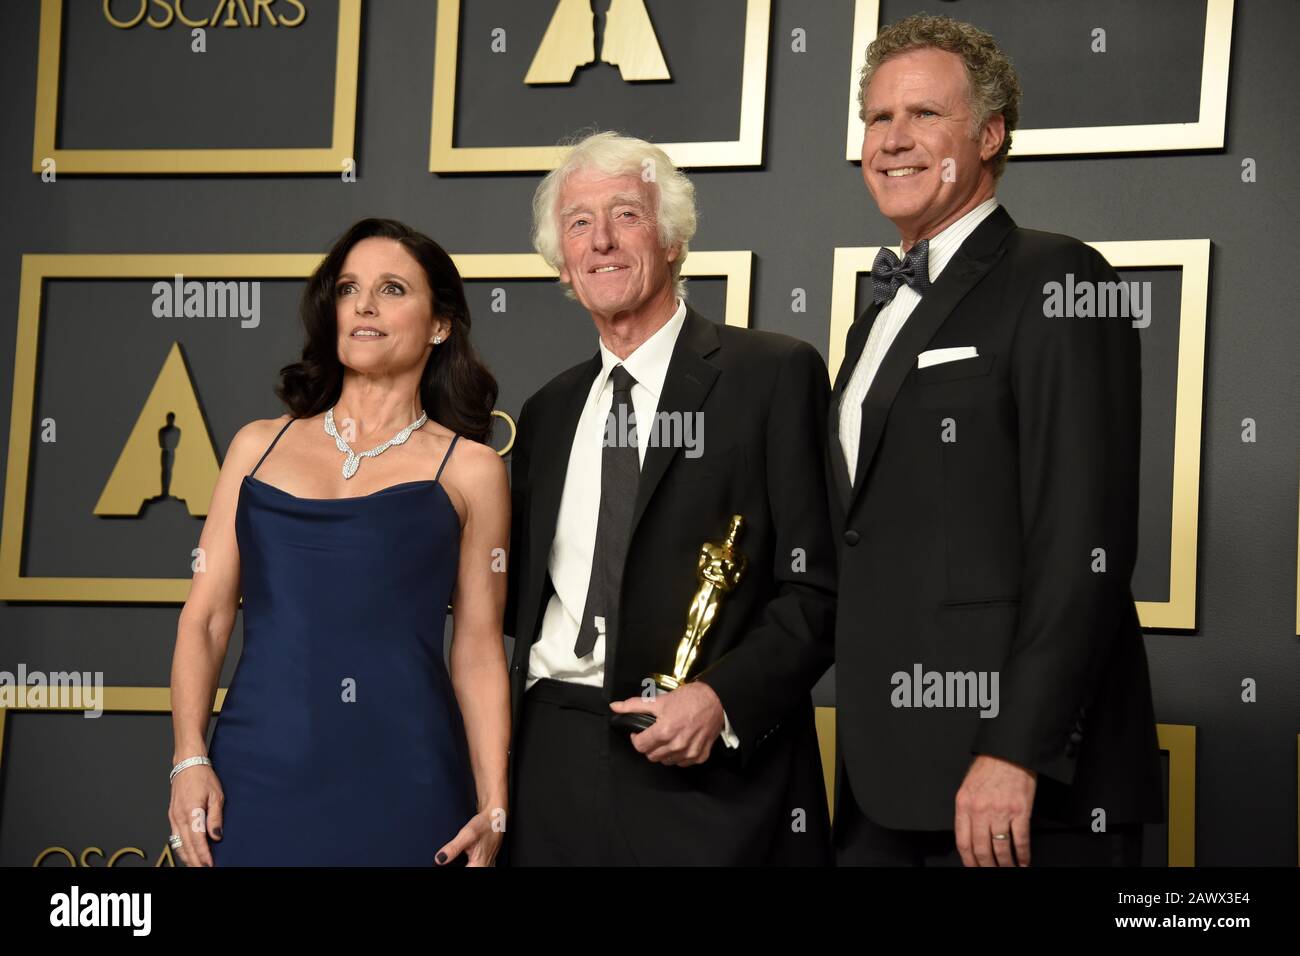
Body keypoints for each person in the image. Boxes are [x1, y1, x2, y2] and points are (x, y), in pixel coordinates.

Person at [830, 14, 1164, 867]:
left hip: (1017, 788)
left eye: (923, 116)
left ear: (989, 134)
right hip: (885, 779)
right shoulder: (878, 312)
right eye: (877, 118)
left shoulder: (1061, 277)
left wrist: (1017, 749)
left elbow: (1083, 537)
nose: (893, 140)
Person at [504, 131, 837, 865]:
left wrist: (721, 702)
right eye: (579, 224)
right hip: (550, 753)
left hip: (706, 771)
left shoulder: (772, 375)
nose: (602, 242)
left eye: (626, 214)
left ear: (674, 238)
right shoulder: (548, 412)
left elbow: (819, 588)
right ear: (561, 261)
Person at [167, 218, 511, 866]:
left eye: (392, 289)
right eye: (350, 288)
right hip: (255, 770)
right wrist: (188, 757)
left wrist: (493, 801)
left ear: (440, 324)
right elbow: (207, 618)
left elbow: (478, 648)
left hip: (410, 777)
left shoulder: (471, 470)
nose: (364, 305)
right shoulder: (256, 445)